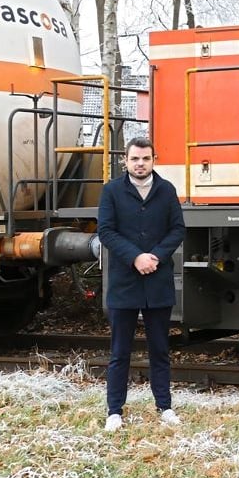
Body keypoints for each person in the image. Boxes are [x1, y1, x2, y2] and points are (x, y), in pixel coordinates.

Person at [97, 137, 186, 432]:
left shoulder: (166, 190)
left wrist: (155, 257)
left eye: (145, 159)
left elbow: (177, 229)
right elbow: (106, 231)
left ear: (153, 159)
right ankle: (114, 411)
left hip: (157, 280)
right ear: (126, 160)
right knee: (119, 351)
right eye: (135, 159)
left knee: (159, 349)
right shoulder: (112, 191)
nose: (140, 164)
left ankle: (165, 406)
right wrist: (135, 257)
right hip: (124, 281)